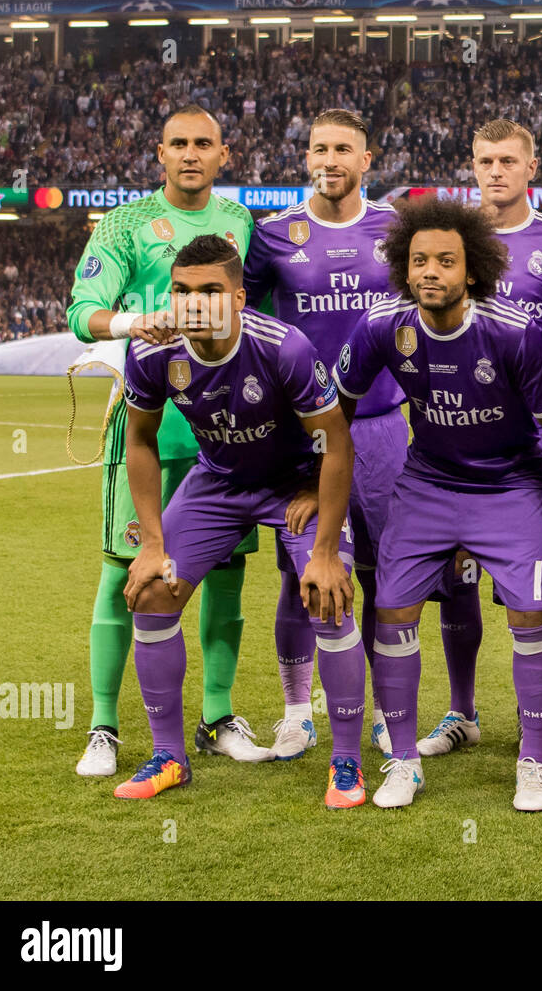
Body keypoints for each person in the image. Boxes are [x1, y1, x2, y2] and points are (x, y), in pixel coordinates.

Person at [332, 197, 542, 812]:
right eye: (419, 260)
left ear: (472, 270)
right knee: (394, 611)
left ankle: (533, 761)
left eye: (446, 261)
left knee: (532, 618)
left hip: (511, 484)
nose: (431, 272)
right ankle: (402, 761)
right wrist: (309, 482)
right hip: (428, 482)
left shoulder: (509, 331)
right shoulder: (384, 326)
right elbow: (335, 412)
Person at [118, 235, 369, 807]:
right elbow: (139, 437)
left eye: (209, 290)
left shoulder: (283, 347)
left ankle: (347, 762)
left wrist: (325, 548)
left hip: (294, 485)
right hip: (218, 482)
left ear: (239, 297)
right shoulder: (155, 351)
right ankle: (169, 756)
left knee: (329, 597)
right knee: (154, 591)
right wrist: (153, 543)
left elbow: (336, 443)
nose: (194, 302)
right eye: (182, 291)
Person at [67, 105, 268, 779]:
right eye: (178, 143)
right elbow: (81, 314)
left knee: (227, 572)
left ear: (222, 154)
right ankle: (103, 724)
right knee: (128, 567)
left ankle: (216, 715)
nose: (190, 153)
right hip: (149, 423)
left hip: (227, 430)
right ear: (160, 153)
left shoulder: (240, 222)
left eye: (202, 143)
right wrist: (134, 320)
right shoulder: (125, 222)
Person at [244, 108, 431, 762]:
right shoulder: (272, 237)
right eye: (319, 147)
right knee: (303, 570)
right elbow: (239, 322)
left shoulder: (397, 229)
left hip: (381, 428)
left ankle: (385, 708)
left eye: (343, 148)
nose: (330, 158)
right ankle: (298, 712)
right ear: (306, 158)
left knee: (384, 574)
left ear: (366, 158)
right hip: (304, 438)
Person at [416, 117, 542, 759]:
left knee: (539, 587)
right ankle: (462, 711)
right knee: (455, 580)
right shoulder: (446, 239)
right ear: (472, 165)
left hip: (533, 442)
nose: (496, 172)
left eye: (508, 160)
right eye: (485, 161)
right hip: (452, 439)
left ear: (531, 167)